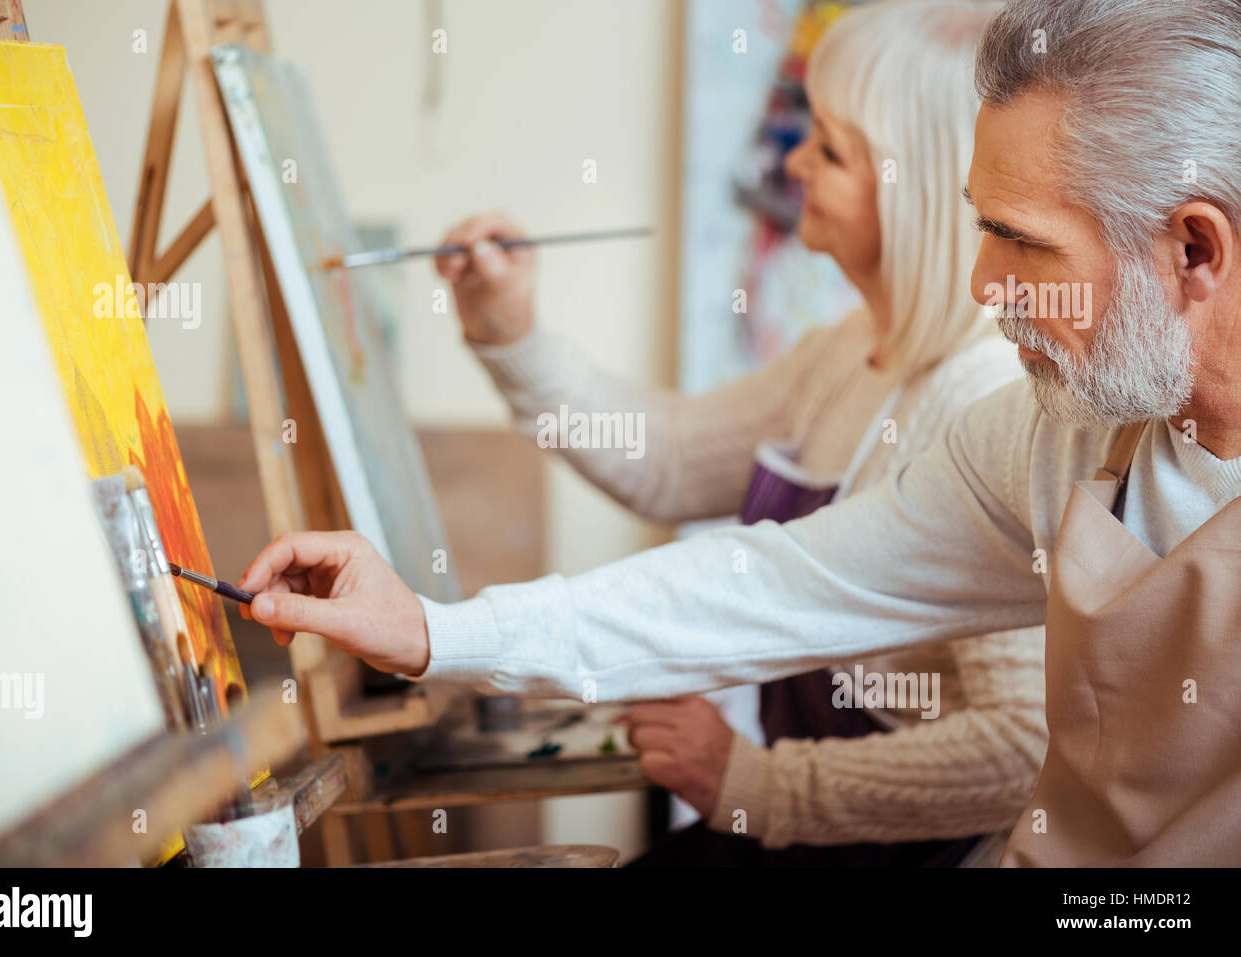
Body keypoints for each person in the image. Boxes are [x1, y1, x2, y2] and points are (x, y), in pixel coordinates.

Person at [241, 0, 1241, 866]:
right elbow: (765, 587)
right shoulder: (1050, 436)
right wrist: (435, 630)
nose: (985, 285)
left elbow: (1011, 745)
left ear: (1193, 248)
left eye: (1021, 241)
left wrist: (765, 783)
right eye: (984, 230)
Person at [426, 0, 1043, 868]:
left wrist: (755, 781)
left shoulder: (985, 399)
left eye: (827, 148)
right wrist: (510, 334)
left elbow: (1021, 747)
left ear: (920, 189)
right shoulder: (847, 357)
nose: (791, 161)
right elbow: (672, 461)